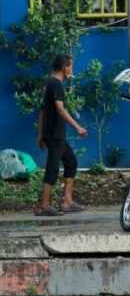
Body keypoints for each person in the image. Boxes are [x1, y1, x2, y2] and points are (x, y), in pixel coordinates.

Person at [35, 54, 88, 216]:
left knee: (71, 161)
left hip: (52, 133)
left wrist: (40, 134)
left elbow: (43, 111)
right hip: (55, 133)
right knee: (52, 167)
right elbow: (60, 108)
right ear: (64, 67)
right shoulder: (56, 84)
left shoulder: (49, 83)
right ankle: (44, 205)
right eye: (70, 66)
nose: (71, 69)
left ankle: (67, 201)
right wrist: (78, 127)